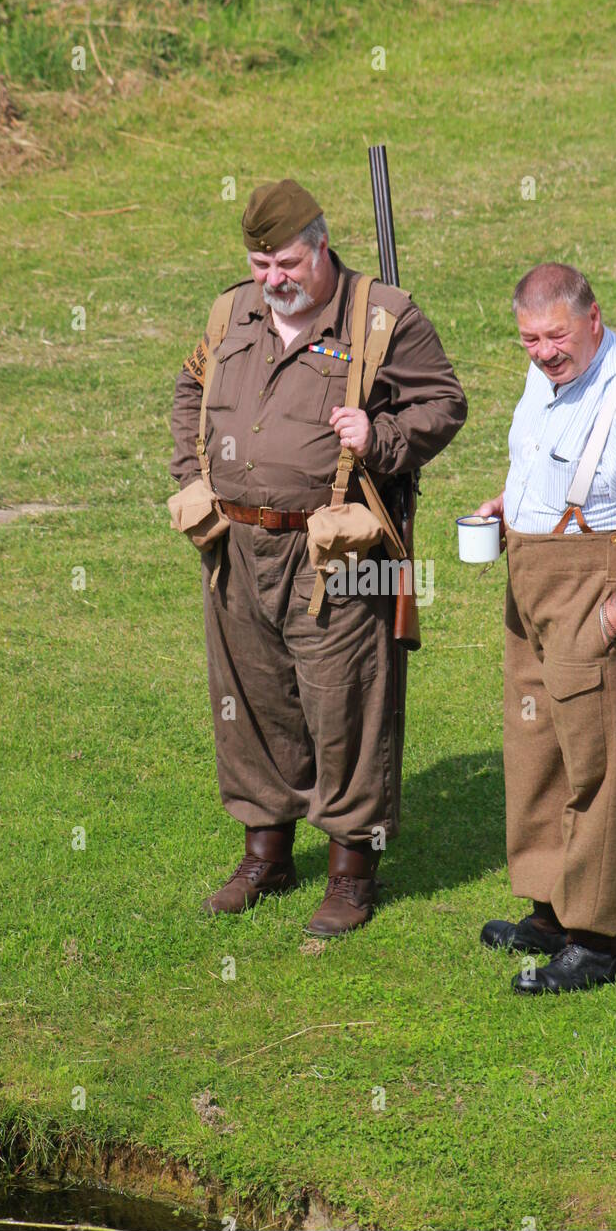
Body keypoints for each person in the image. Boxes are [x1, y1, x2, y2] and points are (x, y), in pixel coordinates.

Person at [170, 179, 466, 935]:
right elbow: (191, 387)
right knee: (253, 703)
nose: (275, 279)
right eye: (261, 262)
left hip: (339, 550)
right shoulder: (231, 311)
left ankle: (351, 874)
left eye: (288, 262)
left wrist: (382, 438)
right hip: (235, 546)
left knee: (348, 708)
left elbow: (443, 404)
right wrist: (193, 477)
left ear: (321, 244)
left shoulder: (384, 319)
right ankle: (265, 854)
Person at [477, 263, 616, 993]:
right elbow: (545, 468)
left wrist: (606, 623)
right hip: (535, 588)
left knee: (603, 770)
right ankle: (550, 910)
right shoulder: (545, 378)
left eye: (555, 336)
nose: (542, 352)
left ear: (594, 319)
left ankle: (601, 941)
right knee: (539, 754)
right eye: (528, 339)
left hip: (600, 595)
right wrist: (508, 509)